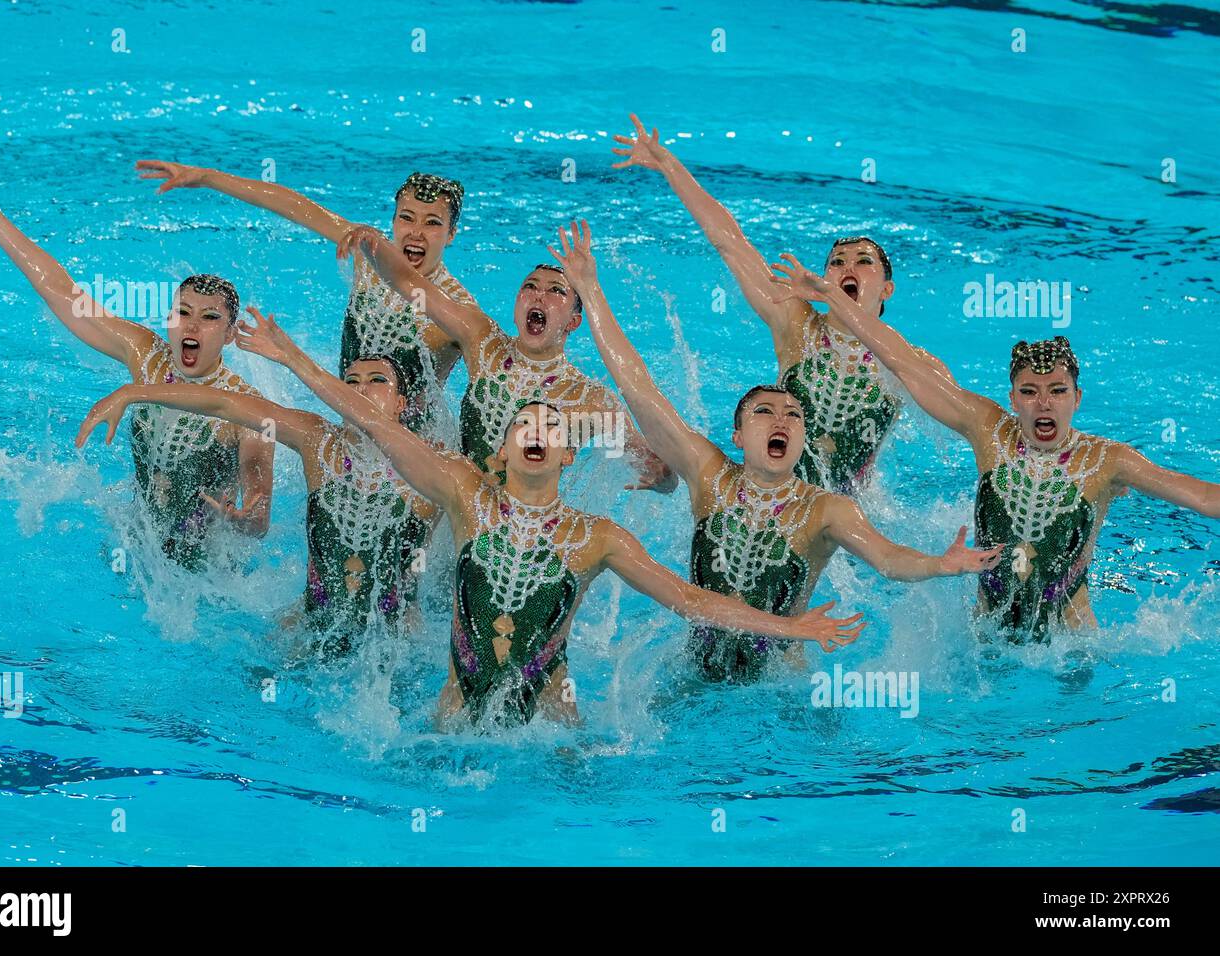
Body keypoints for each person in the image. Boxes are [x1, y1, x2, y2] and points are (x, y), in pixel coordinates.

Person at [218, 311, 866, 725]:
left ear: (566, 451)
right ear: (502, 449)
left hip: (549, 737)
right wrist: (292, 360)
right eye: (522, 422)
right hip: (450, 732)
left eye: (548, 425)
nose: (536, 428)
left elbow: (690, 598)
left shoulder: (597, 538)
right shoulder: (463, 492)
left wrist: (791, 627)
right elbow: (369, 419)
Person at [546, 221, 1003, 681]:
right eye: (766, 412)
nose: (783, 420)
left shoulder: (826, 511)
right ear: (739, 436)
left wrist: (939, 564)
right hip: (691, 678)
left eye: (794, 416)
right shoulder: (709, 475)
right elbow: (636, 385)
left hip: (777, 691)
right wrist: (589, 286)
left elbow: (887, 559)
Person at [771, 253, 1220, 642]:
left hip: (1071, 649)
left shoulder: (1107, 461)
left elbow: (1200, 496)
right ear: (1012, 398)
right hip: (984, 642)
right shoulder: (989, 430)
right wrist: (833, 298)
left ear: (1076, 399)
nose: (1043, 403)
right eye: (1029, 392)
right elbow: (902, 361)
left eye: (1057, 391)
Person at [0, 172, 274, 569]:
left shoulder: (249, 411)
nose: (192, 326)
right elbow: (63, 291)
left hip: (204, 572)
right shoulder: (146, 354)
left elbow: (259, 506)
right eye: (182, 312)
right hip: (137, 541)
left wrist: (245, 520)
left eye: (210, 317)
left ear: (232, 334)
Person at [612, 113, 948, 493]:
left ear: (887, 290)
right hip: (769, 493)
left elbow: (970, 423)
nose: (846, 267)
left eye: (863, 262)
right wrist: (668, 165)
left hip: (847, 514)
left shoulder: (909, 362)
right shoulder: (795, 322)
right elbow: (731, 243)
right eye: (836, 262)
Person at [77, 343, 437, 657]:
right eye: (352, 381)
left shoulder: (433, 468)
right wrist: (132, 393)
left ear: (402, 403)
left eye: (377, 381)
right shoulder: (317, 442)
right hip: (311, 621)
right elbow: (224, 404)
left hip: (395, 640)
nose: (361, 389)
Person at [135, 161, 476, 434]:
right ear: (393, 220)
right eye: (406, 217)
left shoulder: (458, 311)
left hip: (416, 450)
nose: (415, 231)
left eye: (432, 223)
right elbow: (292, 205)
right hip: (350, 435)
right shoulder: (367, 255)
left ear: (451, 234)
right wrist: (207, 177)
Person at [336, 224, 675, 490]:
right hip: (456, 508)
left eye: (556, 291)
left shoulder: (590, 401)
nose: (539, 295)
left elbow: (660, 471)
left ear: (573, 322)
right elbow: (412, 286)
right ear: (517, 308)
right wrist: (373, 245)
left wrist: (658, 478)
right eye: (530, 286)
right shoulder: (482, 340)